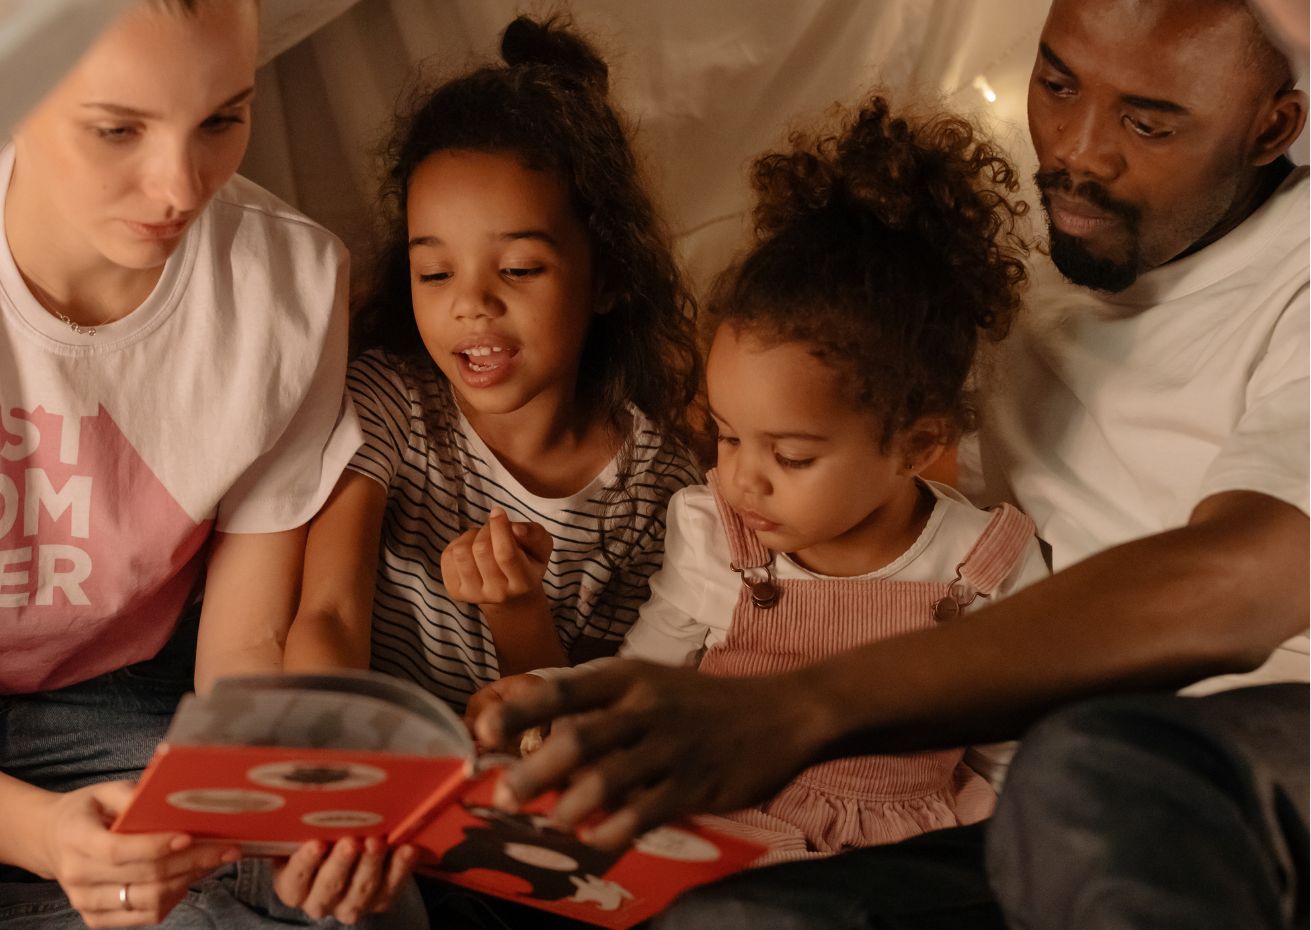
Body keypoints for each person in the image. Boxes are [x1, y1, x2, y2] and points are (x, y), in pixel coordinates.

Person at [474, 0, 1310, 926]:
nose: (1077, 151)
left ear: (1272, 126)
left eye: (1147, 123)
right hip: (1017, 752)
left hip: (1232, 755)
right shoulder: (1009, 249)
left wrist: (800, 708)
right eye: (1055, 82)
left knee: (1085, 771)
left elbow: (1247, 581)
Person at [473, 94, 1049, 863]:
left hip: (894, 859)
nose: (741, 478)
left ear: (916, 445)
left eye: (792, 456)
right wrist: (552, 691)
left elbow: (1013, 759)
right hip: (719, 825)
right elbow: (644, 676)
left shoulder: (986, 567)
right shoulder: (715, 534)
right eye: (726, 434)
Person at [0, 1, 422, 927]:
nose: (179, 189)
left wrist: (291, 802)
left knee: (346, 903)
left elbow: (241, 650)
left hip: (122, 701)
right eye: (118, 130)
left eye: (222, 119)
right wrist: (40, 834)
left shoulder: (290, 285)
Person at [281, 15, 701, 712]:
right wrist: (340, 749)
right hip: (375, 746)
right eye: (435, 273)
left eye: (519, 268)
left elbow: (582, 715)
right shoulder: (386, 401)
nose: (471, 304)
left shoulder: (654, 488)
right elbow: (328, 616)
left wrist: (516, 610)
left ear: (605, 277)